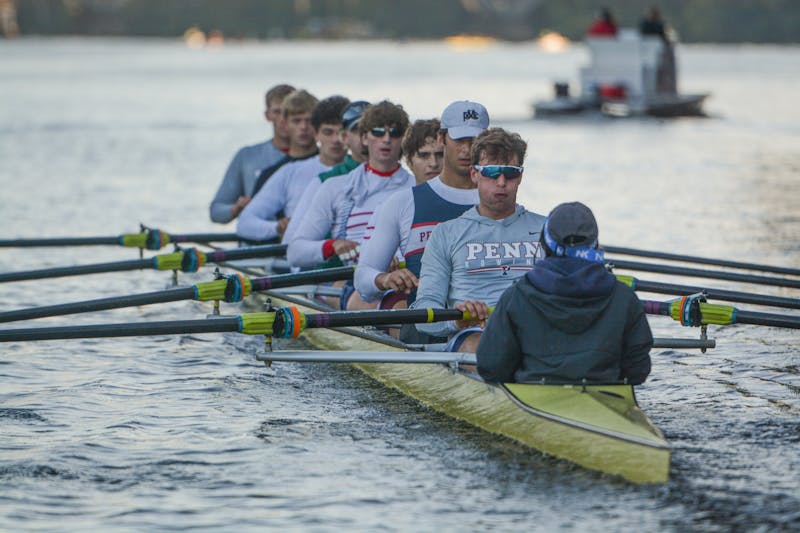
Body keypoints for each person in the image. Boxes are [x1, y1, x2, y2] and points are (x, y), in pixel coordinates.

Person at [476, 202, 653, 385]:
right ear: (595, 244)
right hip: (604, 395)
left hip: (533, 395)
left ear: (545, 244)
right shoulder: (624, 298)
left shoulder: (516, 296)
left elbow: (491, 368)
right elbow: (637, 372)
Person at [354, 102, 488, 343]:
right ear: (441, 138)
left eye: (475, 141)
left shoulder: (499, 197)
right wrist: (384, 279)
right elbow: (363, 279)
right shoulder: (403, 203)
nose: (467, 150)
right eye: (460, 140)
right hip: (428, 327)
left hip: (487, 320)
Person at [410, 128, 547, 352]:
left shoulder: (547, 229)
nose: (501, 182)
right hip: (475, 334)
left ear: (520, 177)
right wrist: (457, 321)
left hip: (536, 330)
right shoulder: (446, 233)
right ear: (475, 174)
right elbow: (424, 312)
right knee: (486, 346)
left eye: (510, 173)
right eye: (492, 172)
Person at [286, 100, 416, 309]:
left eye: (395, 133)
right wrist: (333, 246)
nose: (386, 139)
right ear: (365, 137)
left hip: (403, 278)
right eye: (378, 132)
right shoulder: (336, 187)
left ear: (404, 139)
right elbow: (295, 252)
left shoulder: (415, 187)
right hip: (349, 279)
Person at [236, 95, 350, 242]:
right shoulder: (289, 172)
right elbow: (245, 224)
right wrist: (278, 227)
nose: (335, 140)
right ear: (316, 134)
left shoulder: (363, 171)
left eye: (341, 133)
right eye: (328, 132)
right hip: (301, 259)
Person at [283, 100, 370, 245]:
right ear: (345, 137)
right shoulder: (325, 181)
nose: (364, 137)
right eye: (356, 130)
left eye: (371, 130)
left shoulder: (404, 181)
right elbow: (291, 244)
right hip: (336, 266)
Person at [209, 83, 294, 223]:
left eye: (289, 112)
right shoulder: (247, 156)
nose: (283, 119)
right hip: (259, 241)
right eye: (277, 112)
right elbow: (216, 211)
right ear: (267, 116)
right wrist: (236, 209)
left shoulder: (320, 158)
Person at [249, 89, 320, 198]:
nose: (303, 127)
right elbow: (253, 214)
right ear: (284, 124)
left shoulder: (340, 165)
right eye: (296, 121)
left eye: (309, 121)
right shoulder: (270, 175)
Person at [401, 118, 444, 184]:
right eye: (424, 155)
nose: (434, 163)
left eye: (440, 155)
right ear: (408, 161)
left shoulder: (465, 193)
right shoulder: (400, 194)